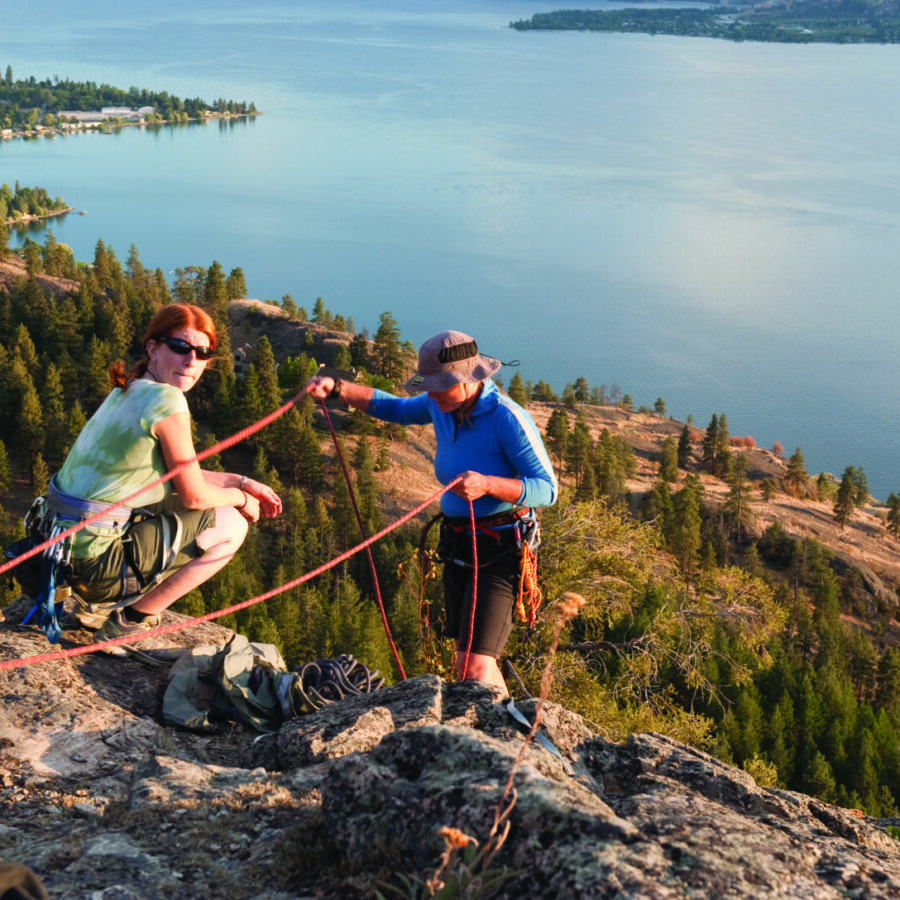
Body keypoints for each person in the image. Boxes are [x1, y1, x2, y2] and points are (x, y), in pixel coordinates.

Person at [306, 329, 557, 691]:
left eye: (441, 385)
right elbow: (393, 407)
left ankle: (503, 741)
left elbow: (547, 489)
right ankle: (506, 727)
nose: (432, 393)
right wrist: (338, 389)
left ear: (471, 379)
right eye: (429, 385)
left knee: (474, 664)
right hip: (458, 547)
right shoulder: (442, 404)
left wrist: (488, 484)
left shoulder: (506, 419)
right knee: (469, 660)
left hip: (500, 552)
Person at [49, 303, 282, 663]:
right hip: (93, 568)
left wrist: (243, 480)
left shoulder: (129, 390)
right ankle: (128, 625)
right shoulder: (167, 400)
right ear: (153, 348)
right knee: (232, 524)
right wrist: (239, 498)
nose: (192, 360)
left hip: (59, 558)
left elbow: (177, 475)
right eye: (180, 347)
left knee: (211, 508)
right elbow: (192, 494)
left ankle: (103, 604)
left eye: (203, 351)